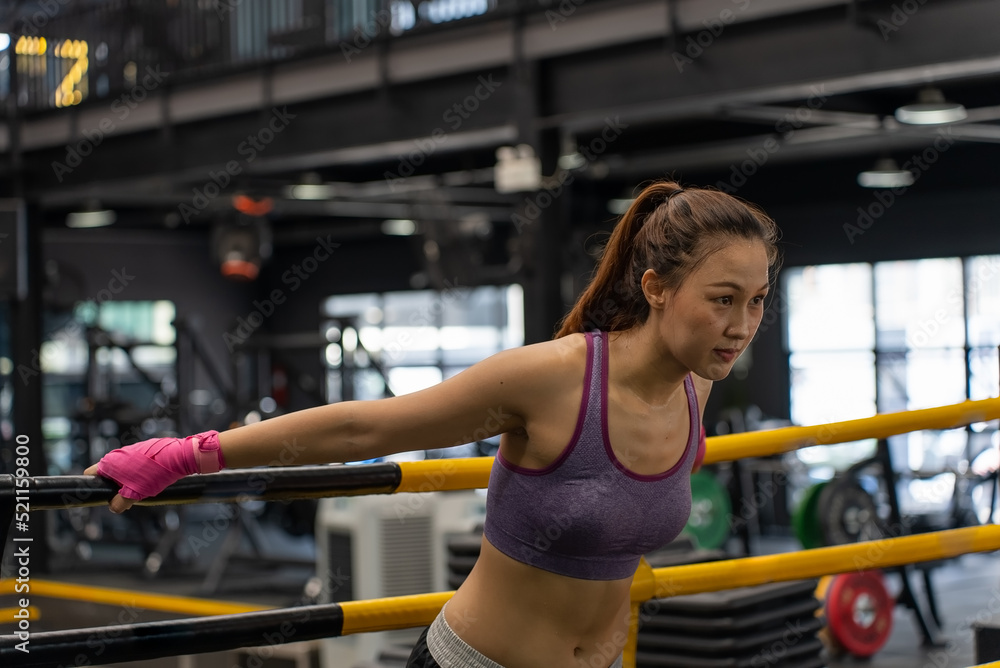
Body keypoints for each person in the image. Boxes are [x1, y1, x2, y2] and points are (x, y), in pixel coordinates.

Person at [85, 180, 780, 668]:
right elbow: (365, 430)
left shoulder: (695, 388)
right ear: (656, 287)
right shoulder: (553, 377)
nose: (742, 326)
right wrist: (189, 454)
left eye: (756, 302)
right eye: (723, 299)